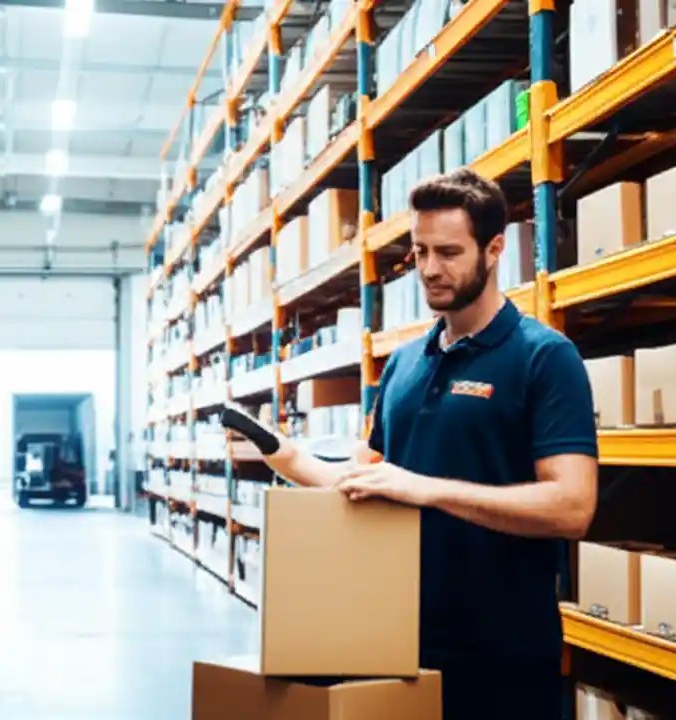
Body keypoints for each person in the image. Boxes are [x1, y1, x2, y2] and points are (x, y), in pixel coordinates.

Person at [222, 168, 598, 720]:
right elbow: (371, 481)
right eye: (419, 251)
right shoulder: (403, 365)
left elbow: (572, 506)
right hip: (397, 651)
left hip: (503, 659)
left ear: (495, 249)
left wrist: (422, 488)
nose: (429, 269)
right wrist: (287, 454)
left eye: (448, 252)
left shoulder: (543, 357)